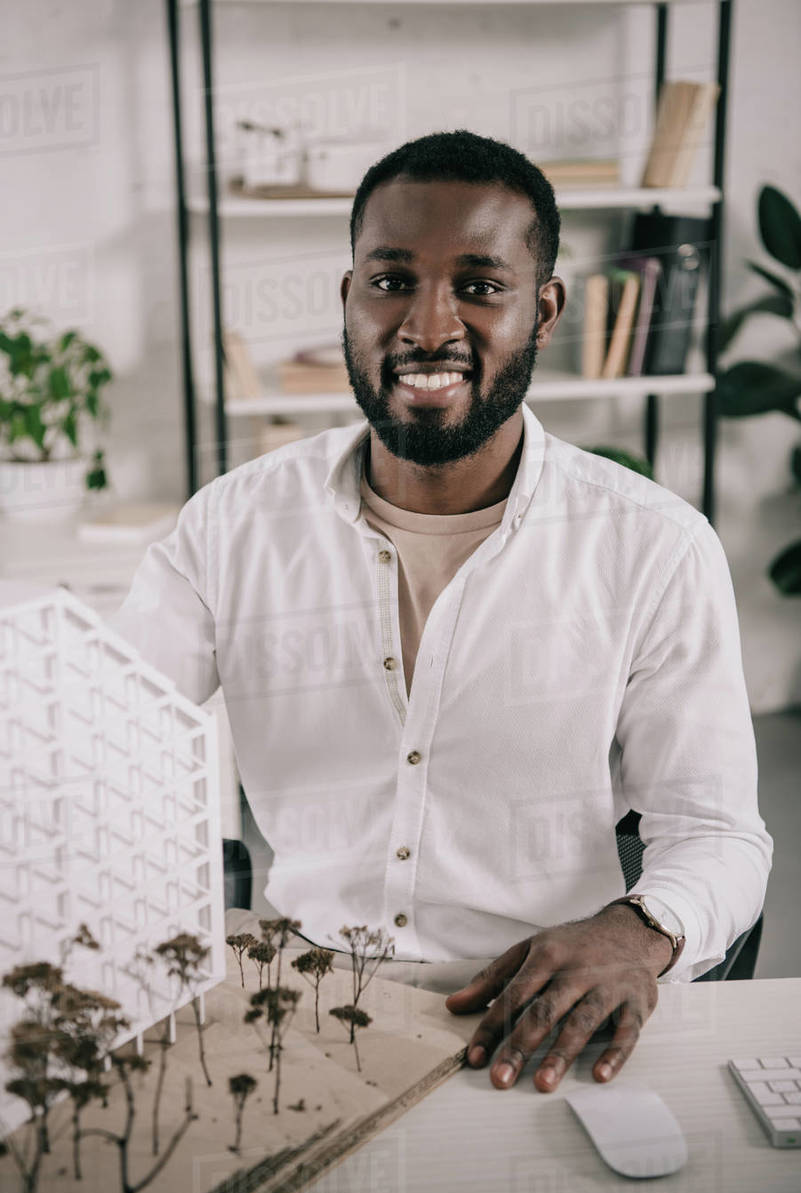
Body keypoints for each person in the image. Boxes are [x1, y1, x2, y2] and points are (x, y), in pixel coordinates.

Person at [112, 130, 771, 1096]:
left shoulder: (652, 546)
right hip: (297, 1003)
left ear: (543, 311)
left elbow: (716, 833)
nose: (427, 325)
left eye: (479, 284)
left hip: (543, 1014)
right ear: (347, 298)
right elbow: (101, 750)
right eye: (390, 280)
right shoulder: (230, 525)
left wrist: (637, 934)